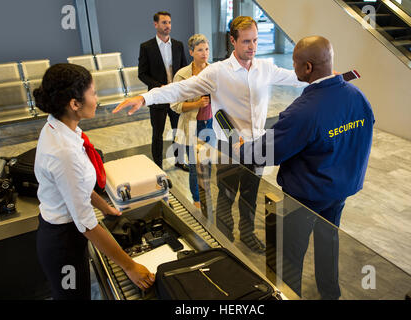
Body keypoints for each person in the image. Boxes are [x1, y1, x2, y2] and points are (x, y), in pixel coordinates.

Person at [113, 16, 307, 253]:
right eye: (246, 41)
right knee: (226, 196)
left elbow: (297, 78)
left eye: (255, 40)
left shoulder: (265, 68)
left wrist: (333, 75)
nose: (252, 46)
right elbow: (180, 88)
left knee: (250, 194)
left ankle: (247, 235)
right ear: (232, 41)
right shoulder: (217, 72)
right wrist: (145, 97)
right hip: (228, 146)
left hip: (257, 146)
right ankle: (226, 241)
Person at [238, 36, 375, 299]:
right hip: (339, 190)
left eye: (295, 63)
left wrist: (241, 150)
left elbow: (268, 151)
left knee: (289, 255)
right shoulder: (358, 96)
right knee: (328, 239)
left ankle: (290, 296)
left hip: (305, 196)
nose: (294, 67)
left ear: (308, 68)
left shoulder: (304, 111)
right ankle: (330, 292)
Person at [34, 64, 154, 300]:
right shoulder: (63, 152)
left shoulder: (62, 129)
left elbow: (76, 186)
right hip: (62, 244)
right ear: (74, 104)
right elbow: (87, 224)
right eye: (93, 93)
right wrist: (129, 266)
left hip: (68, 234)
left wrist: (105, 208)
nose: (97, 100)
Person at [170, 34, 215, 210]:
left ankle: (208, 197)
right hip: (192, 126)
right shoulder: (182, 75)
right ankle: (197, 201)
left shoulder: (214, 71)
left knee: (209, 164)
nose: (204, 53)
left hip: (211, 124)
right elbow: (175, 105)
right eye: (200, 50)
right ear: (191, 52)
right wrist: (197, 104)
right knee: (195, 167)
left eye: (206, 49)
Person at [138, 11, 188, 171]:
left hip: (175, 97)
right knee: (157, 134)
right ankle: (158, 166)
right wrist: (159, 87)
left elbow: (184, 70)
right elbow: (142, 73)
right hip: (158, 97)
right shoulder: (146, 47)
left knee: (177, 132)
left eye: (169, 22)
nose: (168, 26)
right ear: (156, 24)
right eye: (164, 22)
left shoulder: (178, 45)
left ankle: (179, 161)